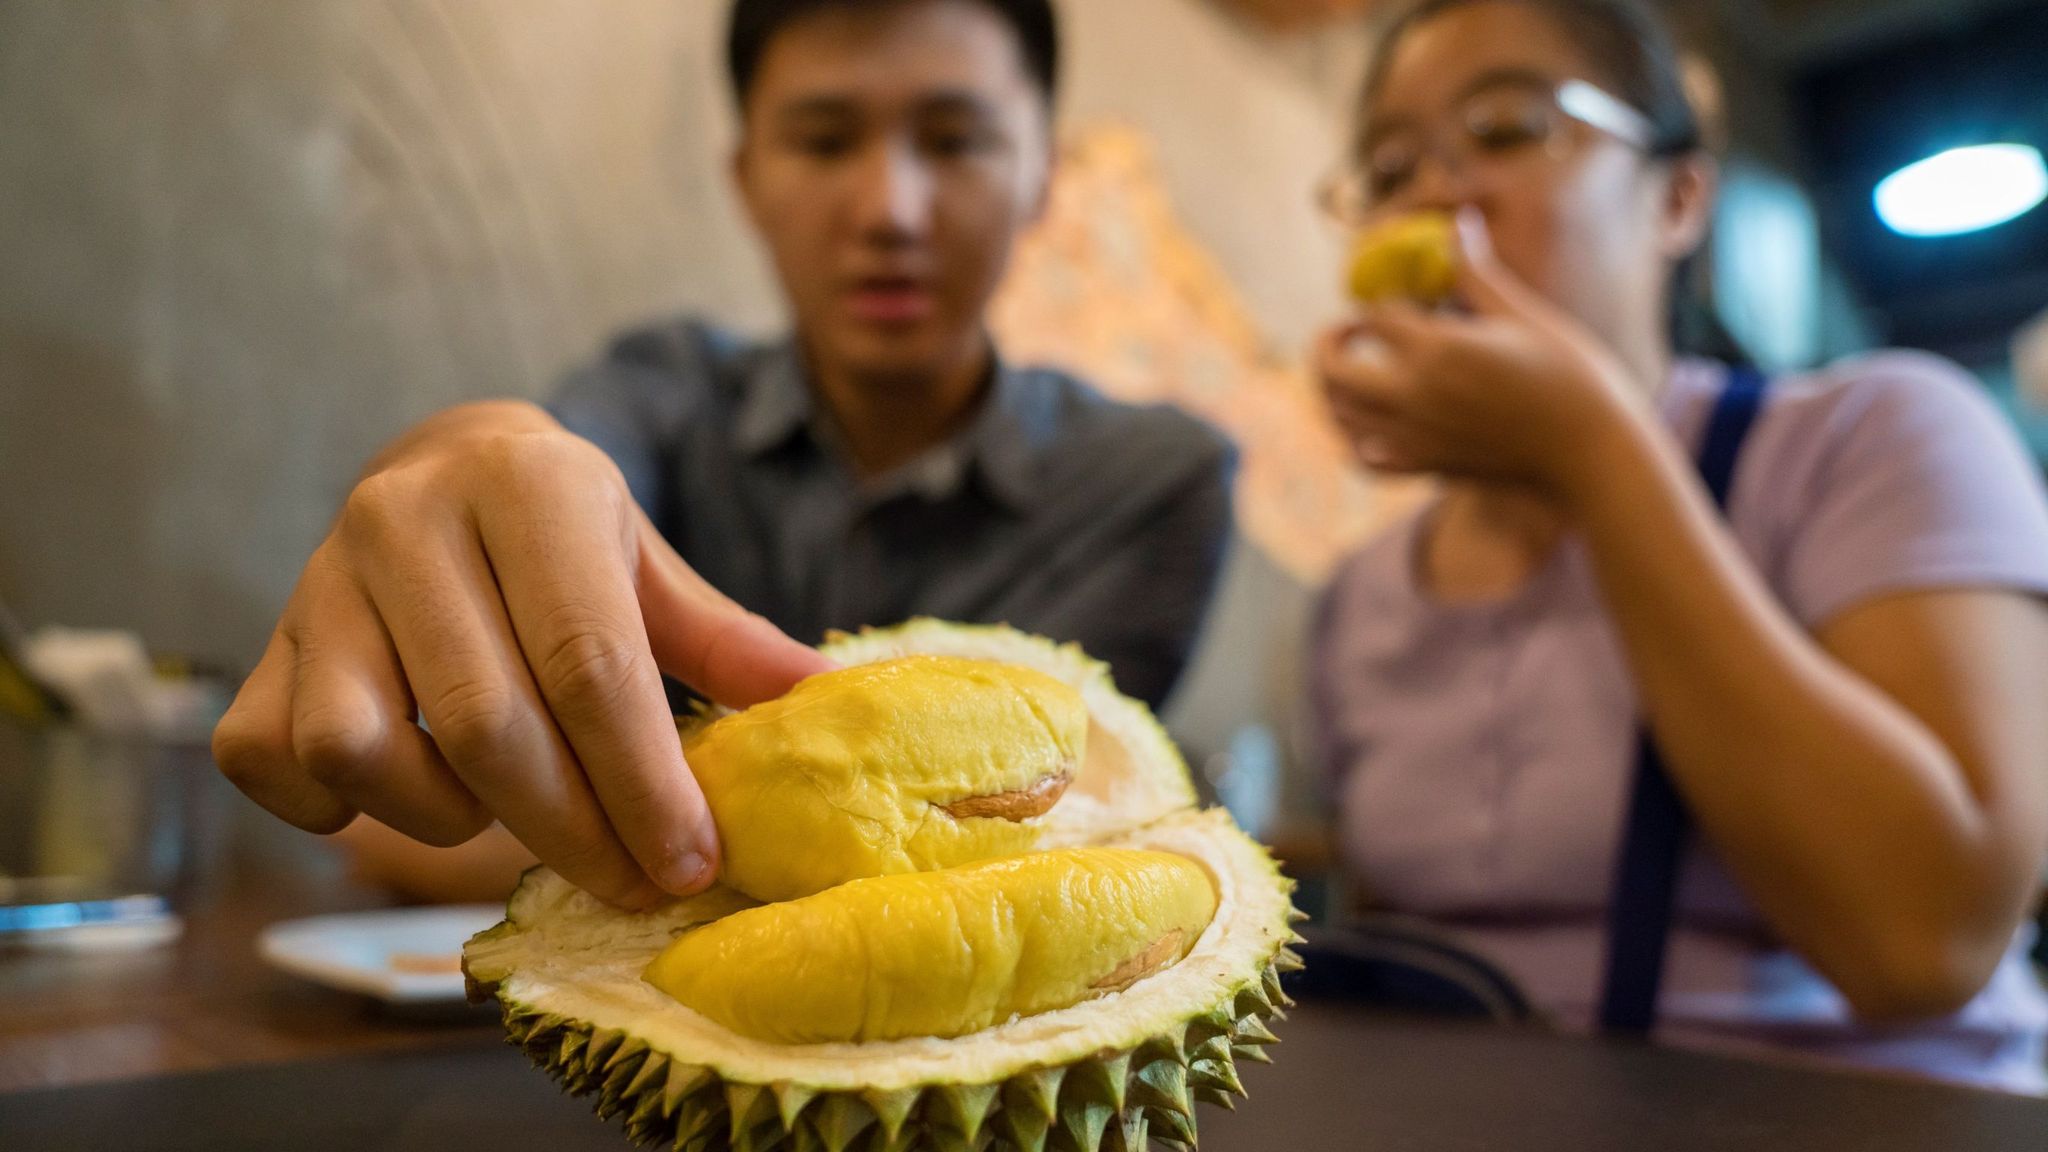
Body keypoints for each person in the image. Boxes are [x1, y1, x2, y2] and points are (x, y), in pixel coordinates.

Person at [212, 0, 1233, 912]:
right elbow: (540, 465)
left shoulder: (1151, 483)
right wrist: (460, 466)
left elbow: (1060, 830)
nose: (889, 210)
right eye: (825, 141)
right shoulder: (663, 392)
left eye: (956, 140)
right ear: (747, 178)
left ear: (1041, 176)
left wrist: (574, 833)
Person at [1311, 0, 2048, 1092]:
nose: (1431, 194)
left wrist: (1596, 452)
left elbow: (1925, 941)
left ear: (1678, 196)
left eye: (1507, 130)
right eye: (1385, 168)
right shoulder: (1354, 598)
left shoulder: (1875, 436)